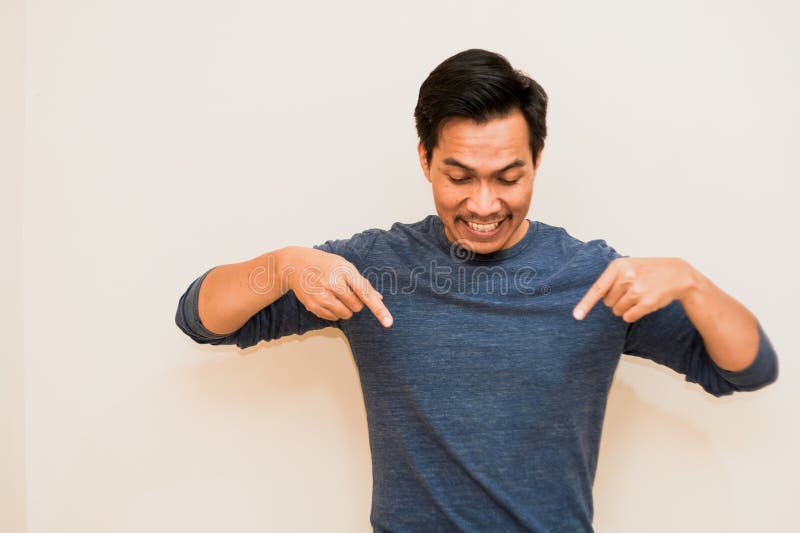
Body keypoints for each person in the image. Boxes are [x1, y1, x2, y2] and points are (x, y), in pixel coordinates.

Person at [175, 49, 779, 532]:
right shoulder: (372, 268)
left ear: (536, 161)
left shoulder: (598, 278)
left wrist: (694, 284)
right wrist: (280, 266)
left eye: (508, 178)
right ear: (425, 159)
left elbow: (747, 368)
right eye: (459, 177)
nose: (484, 205)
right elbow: (201, 317)